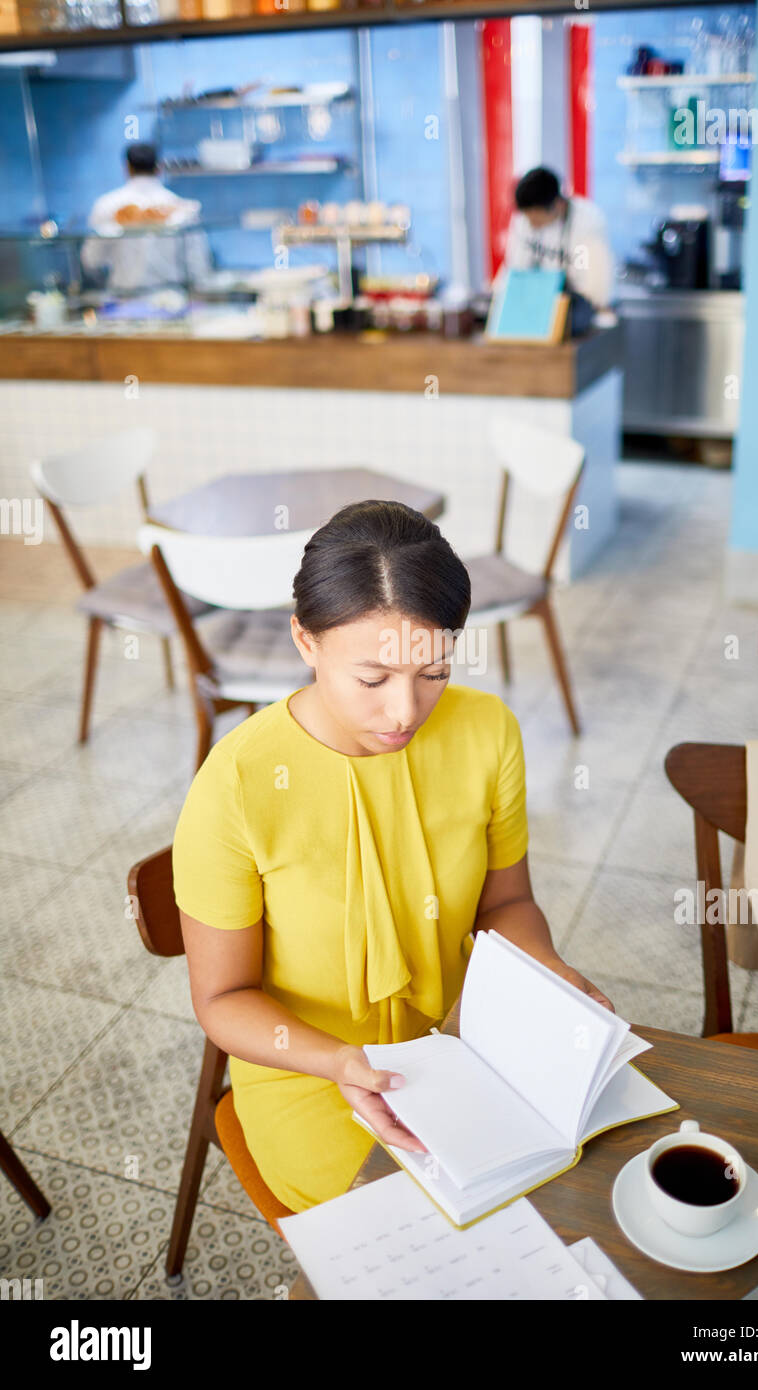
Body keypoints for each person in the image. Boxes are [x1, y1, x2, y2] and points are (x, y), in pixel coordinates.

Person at [171, 500, 615, 1214]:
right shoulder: (240, 783)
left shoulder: (487, 732)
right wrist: (340, 1061)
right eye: (372, 680)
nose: (406, 711)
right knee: (436, 1230)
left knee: (570, 1195)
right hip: (313, 1073)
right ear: (305, 642)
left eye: (434, 672)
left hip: (456, 1045)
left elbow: (504, 903)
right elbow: (222, 1001)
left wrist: (549, 973)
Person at [80, 142, 211, 295]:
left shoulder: (106, 205)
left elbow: (91, 259)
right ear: (158, 168)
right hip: (171, 299)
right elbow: (197, 262)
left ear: (127, 167)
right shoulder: (181, 207)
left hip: (124, 300)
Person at [499, 166, 614, 329]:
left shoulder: (587, 222)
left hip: (574, 305)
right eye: (528, 218)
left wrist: (594, 305)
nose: (532, 224)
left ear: (558, 204)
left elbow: (595, 285)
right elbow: (516, 268)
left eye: (537, 220)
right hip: (535, 304)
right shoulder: (523, 222)